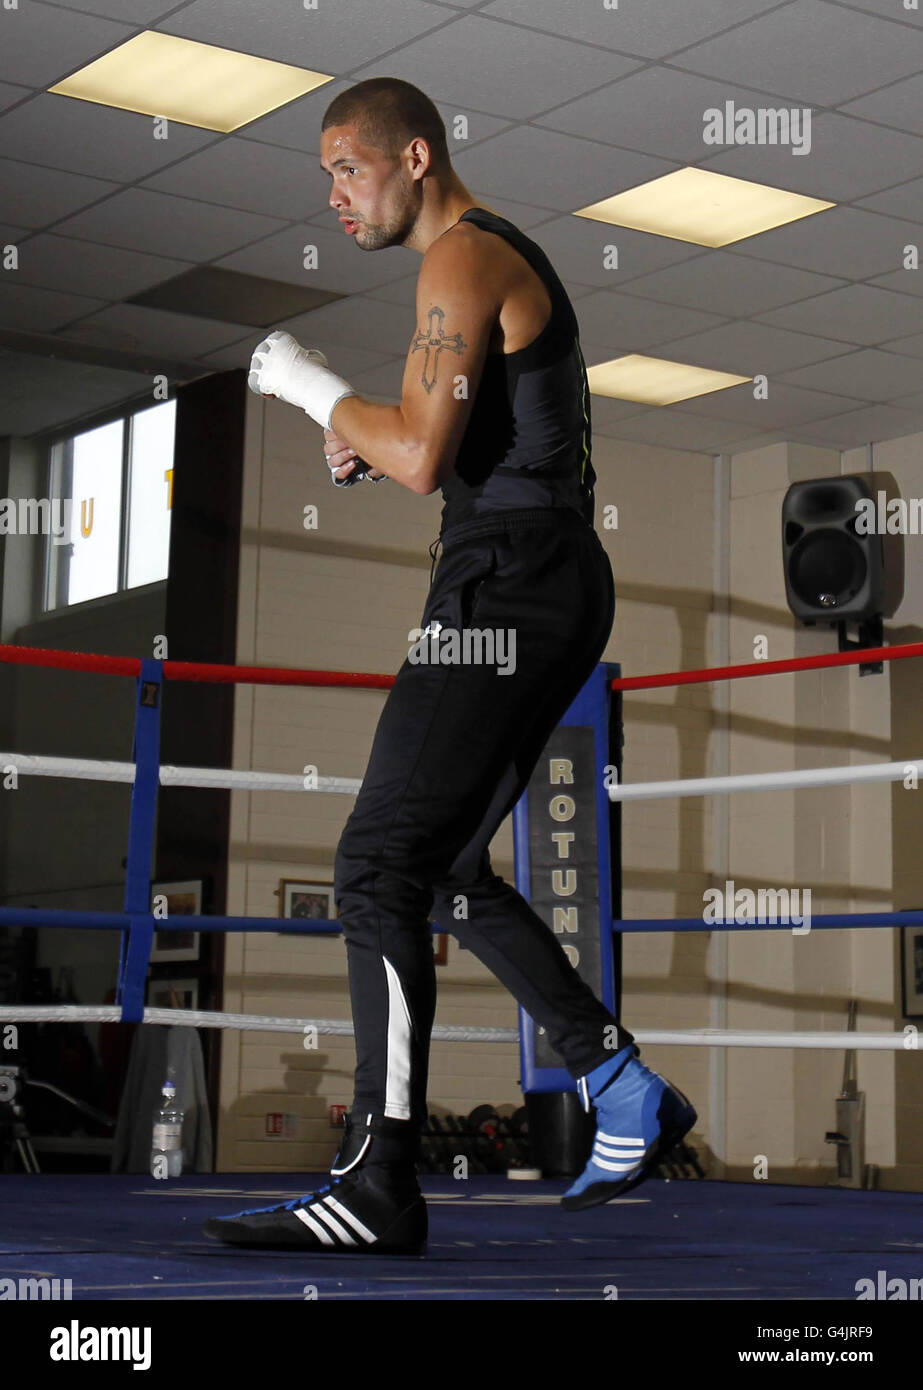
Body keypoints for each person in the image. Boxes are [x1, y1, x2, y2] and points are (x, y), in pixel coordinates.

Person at [205, 77, 695, 1253]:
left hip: (509, 581)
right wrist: (363, 436)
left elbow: (424, 455)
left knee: (375, 857)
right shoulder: (477, 267)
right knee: (444, 871)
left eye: (346, 168)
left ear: (413, 156)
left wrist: (304, 383)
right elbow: (445, 435)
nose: (333, 195)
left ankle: (378, 1178)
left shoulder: (460, 259)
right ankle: (617, 1081)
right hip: (542, 572)